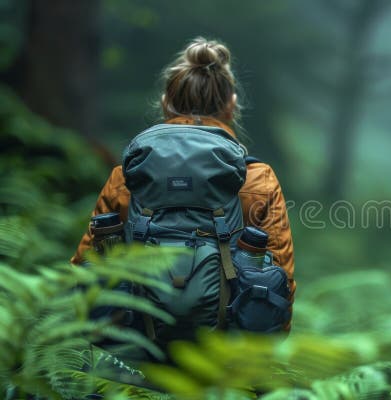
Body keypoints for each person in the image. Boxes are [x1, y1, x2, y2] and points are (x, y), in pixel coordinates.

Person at [71, 37, 296, 332]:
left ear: (166, 104)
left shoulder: (128, 175)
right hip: (222, 357)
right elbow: (281, 281)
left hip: (136, 350)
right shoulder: (257, 178)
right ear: (231, 106)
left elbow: (84, 270)